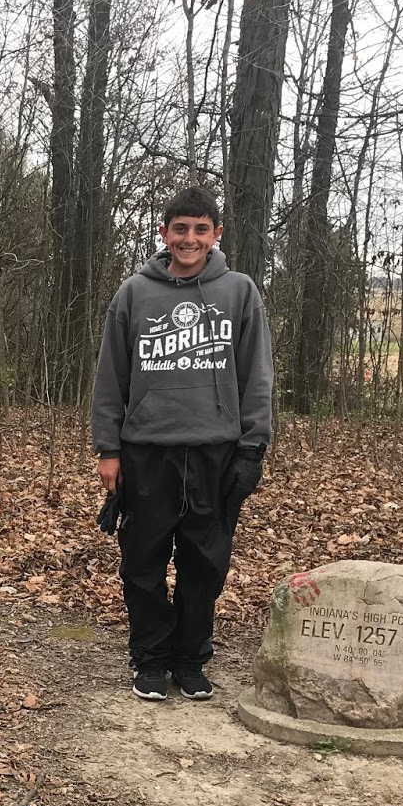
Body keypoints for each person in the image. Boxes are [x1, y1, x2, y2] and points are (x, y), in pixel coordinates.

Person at [91, 186, 273, 702]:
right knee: (142, 562)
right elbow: (111, 378)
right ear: (164, 233)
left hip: (216, 452)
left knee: (205, 564)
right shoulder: (134, 294)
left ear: (217, 234)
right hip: (147, 451)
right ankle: (150, 658)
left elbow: (256, 375)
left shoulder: (239, 292)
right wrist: (108, 449)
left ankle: (190, 659)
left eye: (200, 229)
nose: (189, 238)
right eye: (179, 229)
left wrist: (252, 447)